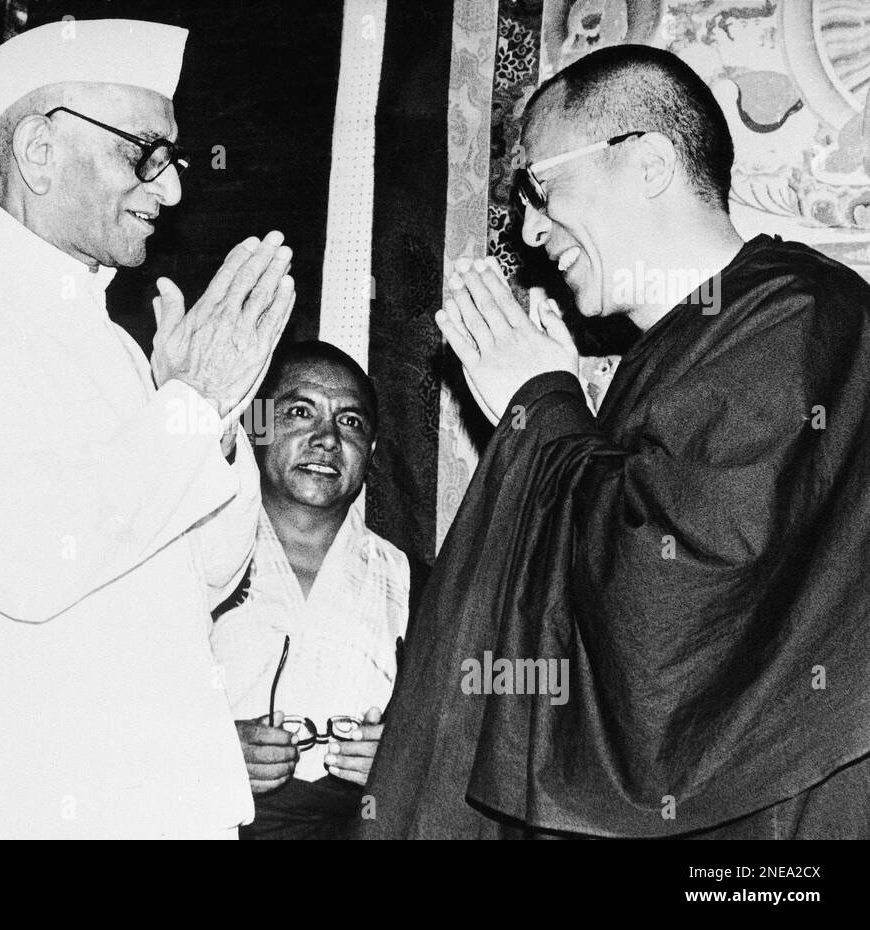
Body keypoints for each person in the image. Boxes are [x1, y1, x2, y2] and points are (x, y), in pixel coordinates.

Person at [364, 43, 870, 839]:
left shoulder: (797, 315)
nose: (529, 231)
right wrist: (548, 414)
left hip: (786, 819)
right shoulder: (675, 350)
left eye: (538, 185)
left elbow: (679, 588)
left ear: (649, 163)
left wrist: (543, 411)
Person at [0, 19, 296, 838]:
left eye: (172, 160)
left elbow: (201, 579)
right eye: (143, 153)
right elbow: (28, 558)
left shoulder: (119, 350)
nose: (170, 191)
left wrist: (217, 420)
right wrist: (189, 405)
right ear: (40, 152)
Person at [210, 340, 416, 839]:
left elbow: (461, 739)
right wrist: (210, 747)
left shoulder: (415, 583)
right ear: (256, 424)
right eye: (301, 411)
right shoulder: (193, 559)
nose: (326, 438)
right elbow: (117, 709)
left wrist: (401, 757)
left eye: (350, 422)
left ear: (367, 453)